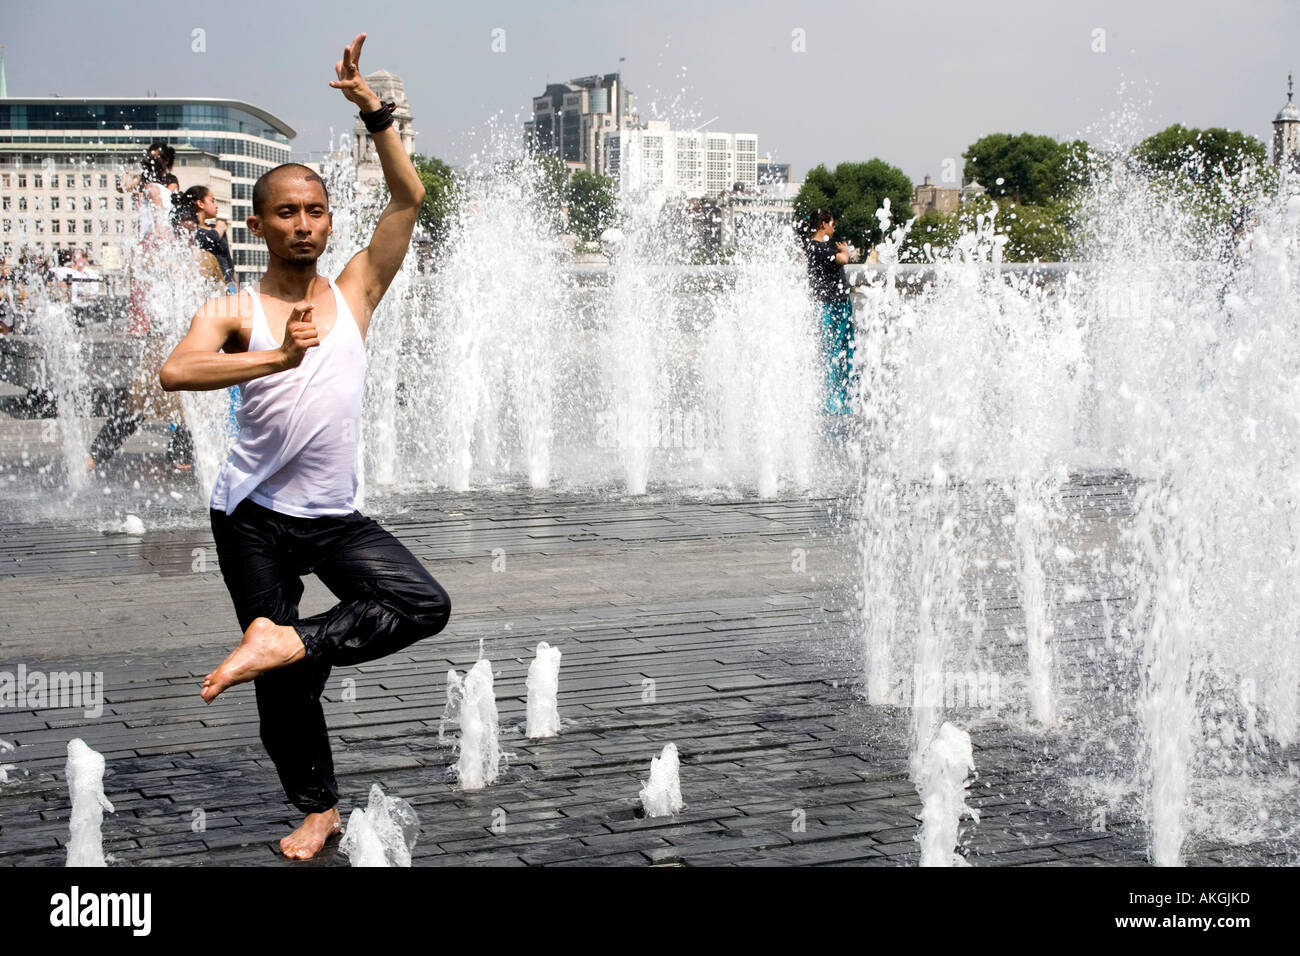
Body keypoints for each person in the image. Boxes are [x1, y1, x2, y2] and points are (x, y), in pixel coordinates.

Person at [159, 33, 449, 861]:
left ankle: (294, 644)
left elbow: (408, 199)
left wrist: (374, 112)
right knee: (282, 676)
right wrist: (277, 356)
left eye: (315, 211)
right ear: (259, 224)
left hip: (332, 516)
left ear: (329, 221)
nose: (303, 223)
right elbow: (178, 371)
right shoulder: (234, 306)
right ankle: (317, 809)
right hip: (251, 517)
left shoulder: (355, 290)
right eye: (285, 212)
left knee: (423, 605)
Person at [802, 207, 856, 415]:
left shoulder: (813, 247)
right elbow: (843, 260)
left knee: (835, 351)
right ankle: (836, 402)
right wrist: (845, 252)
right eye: (832, 223)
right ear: (823, 224)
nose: (834, 228)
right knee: (837, 352)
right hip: (833, 306)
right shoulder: (820, 248)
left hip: (830, 305)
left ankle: (837, 399)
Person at [183, 185, 237, 293]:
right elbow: (209, 238)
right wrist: (219, 229)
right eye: (212, 201)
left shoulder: (217, 229)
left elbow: (229, 261)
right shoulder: (189, 230)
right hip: (206, 288)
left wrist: (236, 289)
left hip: (228, 285)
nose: (216, 206)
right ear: (200, 203)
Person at [53, 249, 103, 328]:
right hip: (69, 304)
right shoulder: (69, 272)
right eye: (74, 258)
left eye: (78, 258)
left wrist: (80, 292)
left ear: (84, 259)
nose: (76, 260)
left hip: (84, 306)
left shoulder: (91, 274)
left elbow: (94, 293)